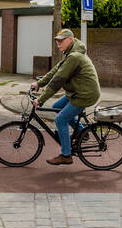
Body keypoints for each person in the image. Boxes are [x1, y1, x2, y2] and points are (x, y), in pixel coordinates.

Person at [30, 29, 102, 163]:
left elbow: (57, 81)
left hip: (84, 95)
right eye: (57, 40)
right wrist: (39, 84)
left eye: (61, 40)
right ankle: (81, 133)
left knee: (60, 120)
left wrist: (40, 100)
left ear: (70, 39)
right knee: (57, 106)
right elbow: (55, 71)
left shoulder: (74, 57)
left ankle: (66, 155)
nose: (58, 43)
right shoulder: (70, 54)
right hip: (77, 91)